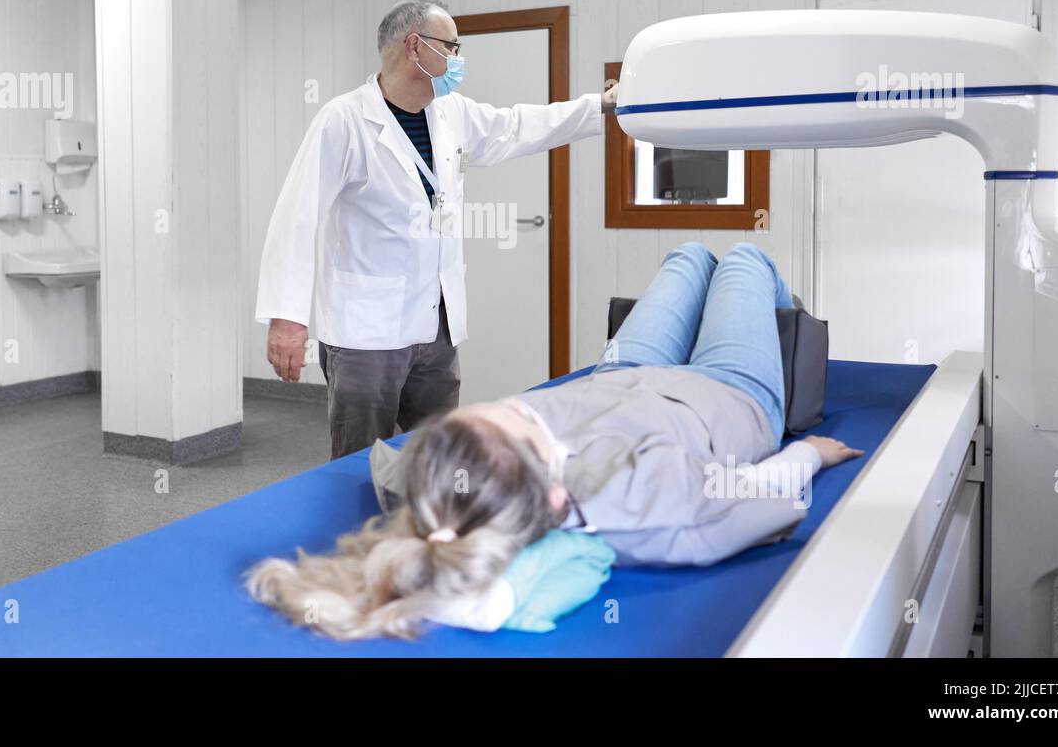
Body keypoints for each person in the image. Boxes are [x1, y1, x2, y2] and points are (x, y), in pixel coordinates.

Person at [247, 242, 864, 639]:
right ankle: (792, 342)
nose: (516, 407)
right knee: (746, 259)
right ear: (550, 496)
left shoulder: (435, 479)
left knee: (688, 255)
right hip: (728, 397)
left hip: (622, 372)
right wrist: (809, 455)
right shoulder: (647, 503)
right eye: (521, 420)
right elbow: (764, 500)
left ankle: (732, 294)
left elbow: (391, 470)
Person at [255, 0, 614, 460]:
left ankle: (432, 530)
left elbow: (518, 127)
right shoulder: (344, 120)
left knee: (441, 456)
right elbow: (297, 216)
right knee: (360, 458)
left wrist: (598, 107)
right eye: (453, 46)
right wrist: (287, 319)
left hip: (436, 326)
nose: (460, 59)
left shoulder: (452, 114)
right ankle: (366, 534)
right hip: (367, 331)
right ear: (415, 46)